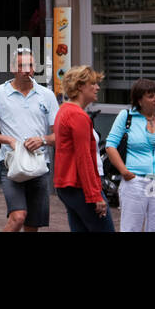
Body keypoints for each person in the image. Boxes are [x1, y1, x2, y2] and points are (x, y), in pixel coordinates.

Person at [0, 48, 58, 232]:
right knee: (18, 217)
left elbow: (59, 136)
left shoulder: (47, 95)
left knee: (33, 225)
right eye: (21, 66)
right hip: (10, 163)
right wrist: (8, 140)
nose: (26, 70)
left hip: (39, 165)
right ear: (12, 68)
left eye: (30, 66)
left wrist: (42, 140)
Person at [104, 78, 155, 232]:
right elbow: (111, 145)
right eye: (150, 96)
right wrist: (124, 171)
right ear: (139, 100)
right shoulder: (126, 116)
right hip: (135, 181)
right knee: (131, 228)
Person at [54, 65, 114, 232]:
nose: (97, 88)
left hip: (67, 186)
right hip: (79, 186)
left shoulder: (64, 110)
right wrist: (95, 195)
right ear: (80, 86)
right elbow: (84, 158)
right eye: (93, 83)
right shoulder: (77, 115)